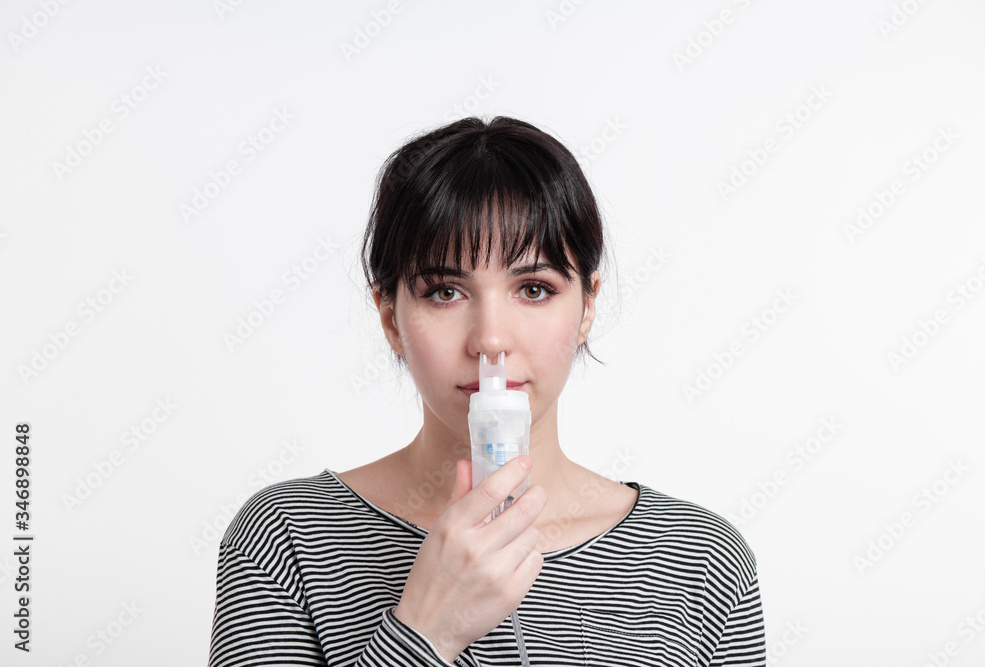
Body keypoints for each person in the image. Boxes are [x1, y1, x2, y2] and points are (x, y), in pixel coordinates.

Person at [208, 116, 766, 666]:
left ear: (588, 306)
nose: (491, 340)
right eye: (445, 292)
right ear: (390, 317)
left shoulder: (700, 563)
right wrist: (426, 631)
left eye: (534, 288)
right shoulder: (286, 541)